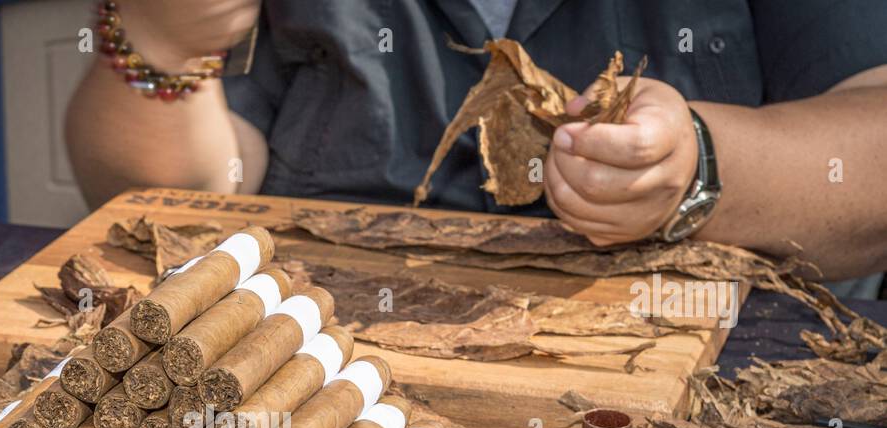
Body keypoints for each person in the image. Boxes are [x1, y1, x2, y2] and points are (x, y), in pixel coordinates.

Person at [66, 0, 887, 294]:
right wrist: (162, 43)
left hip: (716, 376)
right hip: (328, 387)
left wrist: (700, 166)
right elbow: (199, 190)